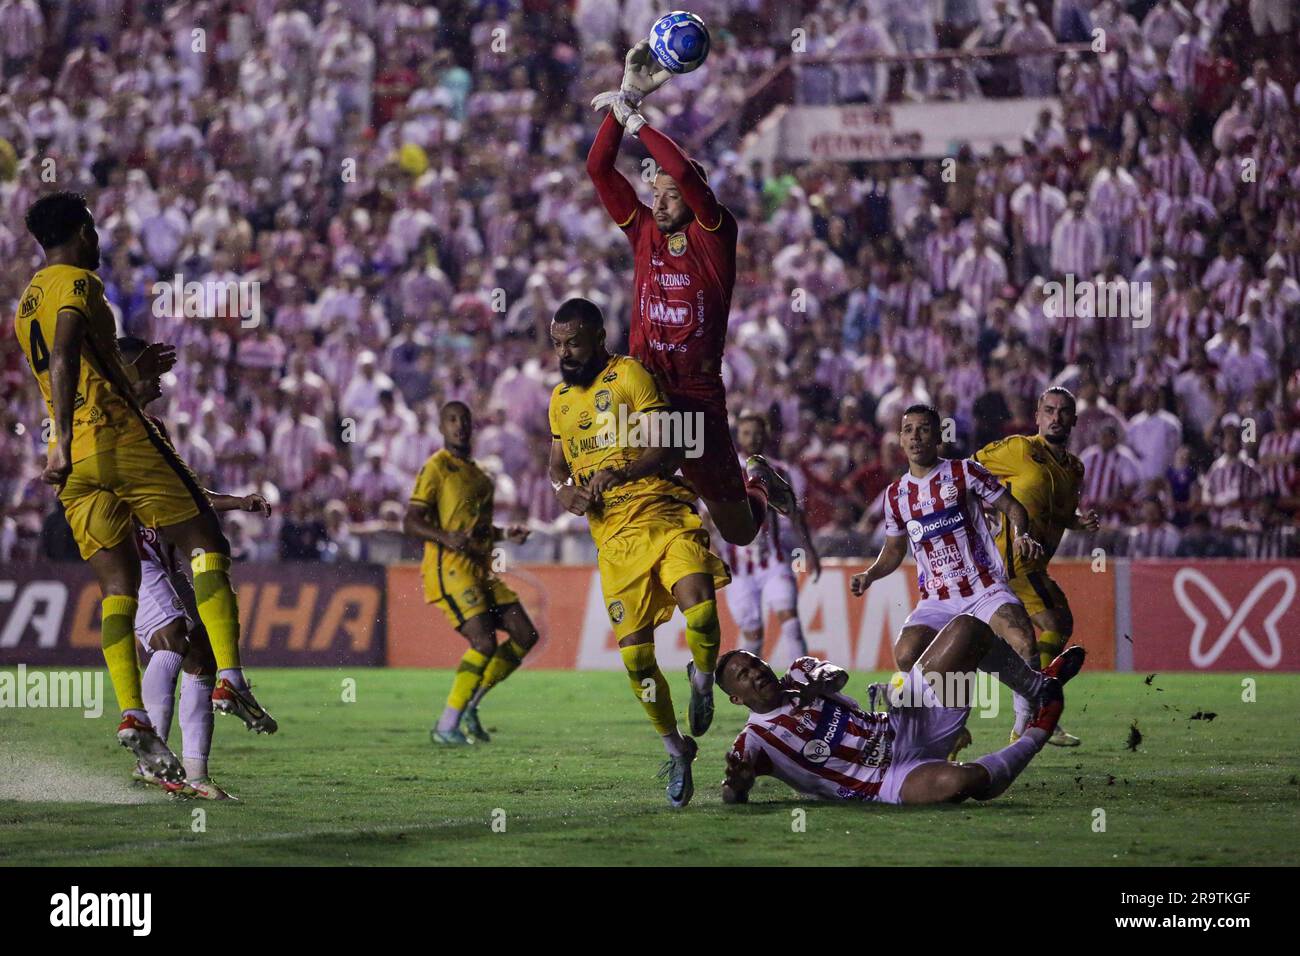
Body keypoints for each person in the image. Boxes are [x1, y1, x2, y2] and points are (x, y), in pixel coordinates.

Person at [13, 192, 272, 785]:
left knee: (116, 586)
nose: (99, 239)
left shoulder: (25, 300)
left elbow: (78, 371)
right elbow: (66, 351)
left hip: (79, 466)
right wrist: (63, 439)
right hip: (112, 439)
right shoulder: (77, 282)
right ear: (80, 232)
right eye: (95, 229)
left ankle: (132, 713)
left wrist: (122, 382)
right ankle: (230, 675)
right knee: (206, 540)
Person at [586, 41, 793, 548]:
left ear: (695, 196)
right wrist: (626, 97)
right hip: (644, 392)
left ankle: (760, 479)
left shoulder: (716, 235)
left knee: (741, 531)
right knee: (636, 487)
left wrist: (637, 124)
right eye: (654, 193)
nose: (658, 201)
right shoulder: (642, 231)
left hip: (696, 401)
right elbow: (598, 169)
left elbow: (681, 171)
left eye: (670, 195)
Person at [547, 298, 730, 808]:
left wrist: (622, 472)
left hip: (662, 514)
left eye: (574, 343)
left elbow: (670, 450)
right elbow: (556, 466)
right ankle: (676, 749)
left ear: (599, 337)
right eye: (558, 344)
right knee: (636, 658)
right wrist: (565, 491)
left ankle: (704, 675)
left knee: (701, 606)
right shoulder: (559, 400)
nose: (564, 353)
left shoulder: (630, 375)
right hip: (613, 540)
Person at [117, 336, 276, 800]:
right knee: (172, 637)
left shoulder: (155, 428)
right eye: (149, 369)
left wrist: (237, 501)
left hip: (162, 559)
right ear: (126, 371)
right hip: (133, 556)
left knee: (201, 655)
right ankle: (151, 763)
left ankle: (196, 776)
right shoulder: (109, 428)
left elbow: (188, 494)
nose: (160, 379)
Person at [717, 615, 1086, 806]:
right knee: (963, 783)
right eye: (743, 676)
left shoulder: (798, 671)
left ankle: (1039, 688)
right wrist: (738, 785)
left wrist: (815, 685)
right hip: (886, 780)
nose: (756, 674)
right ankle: (1041, 729)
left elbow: (836, 676)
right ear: (736, 698)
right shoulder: (754, 740)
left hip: (905, 721)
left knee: (967, 629)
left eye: (755, 664)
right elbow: (732, 794)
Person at [849, 404, 1047, 753]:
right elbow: (895, 550)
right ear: (899, 438)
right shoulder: (895, 496)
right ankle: (954, 728)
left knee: (1025, 642)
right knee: (908, 654)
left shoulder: (964, 472)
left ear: (939, 436)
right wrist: (870, 574)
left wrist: (1019, 535)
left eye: (924, 429)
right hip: (938, 598)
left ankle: (1028, 706)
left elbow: (1013, 508)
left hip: (983, 586)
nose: (915, 437)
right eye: (908, 430)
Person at [404, 401, 539, 746]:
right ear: (441, 426)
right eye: (451, 420)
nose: (459, 426)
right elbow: (412, 521)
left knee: (525, 634)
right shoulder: (436, 467)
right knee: (484, 641)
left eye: (464, 420)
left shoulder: (480, 477)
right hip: (449, 568)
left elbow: (477, 530)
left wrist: (507, 534)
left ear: (472, 426)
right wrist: (446, 538)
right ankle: (446, 725)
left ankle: (470, 706)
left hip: (480, 570)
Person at [973, 387, 1099, 747]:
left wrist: (1078, 523)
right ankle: (1038, 708)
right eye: (1049, 410)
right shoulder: (1019, 449)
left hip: (1036, 563)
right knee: (1054, 623)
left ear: (1074, 419)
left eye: (1063, 411)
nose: (1056, 417)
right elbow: (969, 469)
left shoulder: (1075, 468)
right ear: (1037, 416)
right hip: (1011, 561)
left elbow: (1058, 514)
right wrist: (981, 505)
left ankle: (1032, 710)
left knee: (1052, 629)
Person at [720, 411, 819, 668]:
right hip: (738, 566)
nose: (752, 438)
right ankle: (753, 692)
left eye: (757, 433)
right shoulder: (725, 471)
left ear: (766, 436)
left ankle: (805, 687)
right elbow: (709, 519)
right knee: (752, 636)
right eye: (746, 433)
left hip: (774, 560)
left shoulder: (779, 470)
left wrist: (810, 551)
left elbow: (795, 513)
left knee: (791, 622)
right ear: (738, 436)